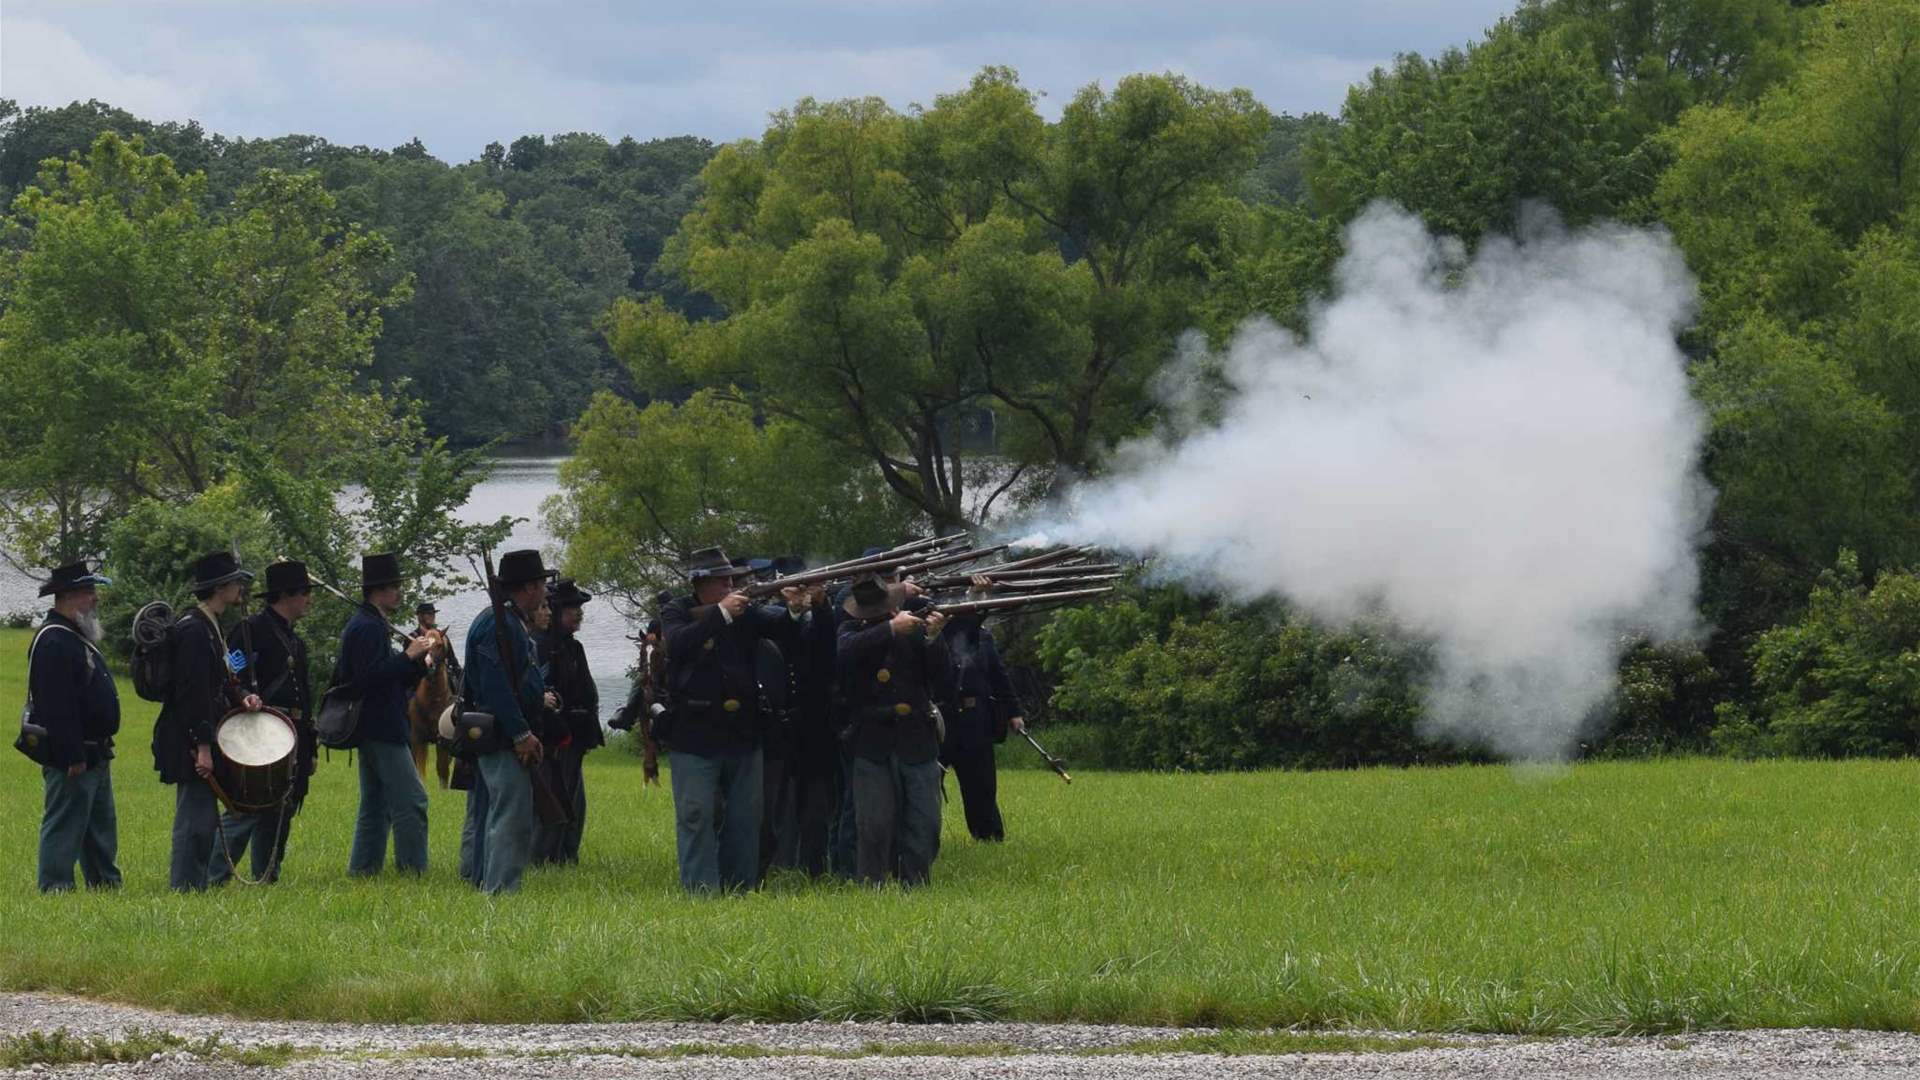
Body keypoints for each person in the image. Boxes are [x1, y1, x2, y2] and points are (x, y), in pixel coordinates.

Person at [659, 547, 807, 893]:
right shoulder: (677, 611)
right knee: (696, 816)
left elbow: (782, 630)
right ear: (700, 583)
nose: (729, 584)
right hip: (693, 733)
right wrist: (721, 615)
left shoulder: (747, 613)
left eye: (730, 579)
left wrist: (796, 609)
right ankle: (700, 891)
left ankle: (740, 888)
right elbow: (678, 644)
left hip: (743, 733)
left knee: (745, 820)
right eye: (721, 580)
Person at [153, 552, 263, 892]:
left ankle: (194, 885)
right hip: (189, 738)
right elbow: (195, 694)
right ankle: (185, 888)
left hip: (200, 734)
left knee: (202, 819)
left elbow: (222, 679)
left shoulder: (210, 626)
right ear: (220, 588)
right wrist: (203, 747)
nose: (240, 588)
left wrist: (241, 696)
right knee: (194, 821)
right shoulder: (195, 631)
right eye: (235, 582)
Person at [836, 575, 951, 886]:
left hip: (917, 736)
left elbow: (943, 679)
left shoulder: (913, 630)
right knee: (873, 824)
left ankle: (916, 883)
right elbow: (846, 652)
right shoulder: (850, 632)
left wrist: (934, 638)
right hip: (871, 739)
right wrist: (889, 630)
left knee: (925, 821)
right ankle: (870, 885)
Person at [211, 561, 316, 884]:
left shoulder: (294, 640)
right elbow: (229, 673)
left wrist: (309, 748)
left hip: (291, 732)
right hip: (258, 731)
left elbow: (304, 699)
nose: (308, 600)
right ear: (286, 595)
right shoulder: (250, 630)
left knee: (282, 806)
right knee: (249, 806)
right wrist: (243, 693)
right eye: (304, 594)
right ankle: (212, 875)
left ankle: (267, 875)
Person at [460, 549, 554, 895]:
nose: (545, 591)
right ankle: (499, 890)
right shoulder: (496, 624)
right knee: (510, 817)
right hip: (501, 734)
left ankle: (491, 882)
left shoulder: (507, 622)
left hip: (505, 732)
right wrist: (520, 732)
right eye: (541, 584)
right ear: (528, 587)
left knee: (501, 813)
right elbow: (495, 686)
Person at [24, 561, 121, 892]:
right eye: (87, 592)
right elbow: (56, 707)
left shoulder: (73, 637)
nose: (94, 599)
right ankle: (55, 887)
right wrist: (71, 755)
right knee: (65, 824)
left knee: (99, 826)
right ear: (66, 597)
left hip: (95, 749)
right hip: (74, 753)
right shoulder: (54, 641)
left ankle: (105, 885)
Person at [341, 552, 435, 877]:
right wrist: (407, 656)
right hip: (381, 726)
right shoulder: (366, 627)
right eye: (394, 586)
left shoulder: (374, 623)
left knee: (376, 804)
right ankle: (412, 872)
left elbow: (391, 678)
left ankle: (364, 871)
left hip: (380, 723)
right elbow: (366, 680)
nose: (399, 593)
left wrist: (417, 663)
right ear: (378, 590)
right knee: (412, 801)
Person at [936, 576, 1025, 842]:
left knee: (982, 785)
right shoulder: (939, 633)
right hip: (941, 718)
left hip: (976, 718)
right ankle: (925, 836)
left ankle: (988, 837)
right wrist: (973, 595)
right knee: (928, 784)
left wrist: (1013, 712)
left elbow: (999, 676)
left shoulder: (983, 637)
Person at [533, 579, 600, 865]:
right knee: (552, 797)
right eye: (572, 608)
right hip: (553, 736)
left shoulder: (574, 648)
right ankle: (545, 856)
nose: (578, 614)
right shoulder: (542, 645)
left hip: (576, 735)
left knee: (574, 800)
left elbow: (586, 691)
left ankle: (566, 854)